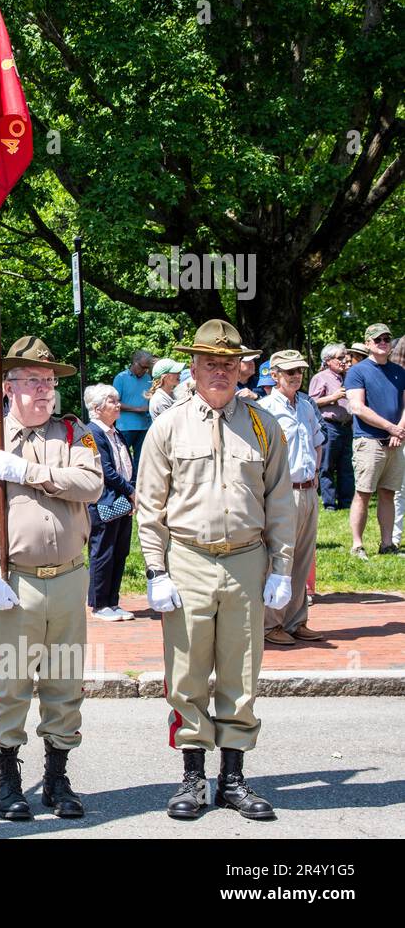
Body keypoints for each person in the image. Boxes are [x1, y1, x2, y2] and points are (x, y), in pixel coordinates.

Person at [137, 319, 295, 821]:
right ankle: (191, 776)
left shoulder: (261, 425)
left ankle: (232, 778)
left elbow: (280, 502)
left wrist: (282, 568)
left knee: (241, 670)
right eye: (211, 363)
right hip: (188, 559)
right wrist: (154, 570)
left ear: (241, 369)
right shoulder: (168, 425)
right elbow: (150, 506)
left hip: (248, 560)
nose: (221, 372)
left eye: (229, 364)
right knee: (186, 673)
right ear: (194, 367)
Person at [0, 336, 101, 822]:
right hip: (15, 584)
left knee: (65, 679)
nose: (43, 390)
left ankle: (57, 777)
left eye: (49, 381)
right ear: (8, 387)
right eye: (32, 381)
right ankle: (9, 776)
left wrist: (30, 471)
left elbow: (92, 485)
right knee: (11, 683)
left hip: (70, 579)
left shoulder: (74, 434)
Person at [259, 351, 326, 645]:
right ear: (274, 375)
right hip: (282, 492)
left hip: (308, 489)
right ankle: (271, 624)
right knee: (280, 557)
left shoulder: (306, 407)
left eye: (299, 371)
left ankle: (296, 620)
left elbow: (317, 442)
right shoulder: (264, 409)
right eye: (289, 372)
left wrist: (314, 475)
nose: (296, 376)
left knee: (303, 558)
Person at [344, 323, 405, 560]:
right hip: (368, 441)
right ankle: (357, 545)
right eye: (377, 339)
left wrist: (398, 430)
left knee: (389, 493)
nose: (383, 343)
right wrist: (390, 428)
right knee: (363, 493)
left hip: (395, 441)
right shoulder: (357, 371)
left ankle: (387, 543)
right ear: (368, 343)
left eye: (387, 339)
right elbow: (357, 407)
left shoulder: (399, 371)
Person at [84, 384, 135, 622]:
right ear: (97, 408)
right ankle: (99, 603)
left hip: (122, 500)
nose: (118, 405)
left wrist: (131, 488)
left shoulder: (115, 431)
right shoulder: (92, 433)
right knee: (103, 551)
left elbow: (126, 462)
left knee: (120, 551)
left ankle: (113, 601)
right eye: (112, 401)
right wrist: (131, 490)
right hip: (104, 500)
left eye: (117, 400)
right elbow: (104, 470)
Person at [308, 343, 354, 511]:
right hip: (330, 426)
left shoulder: (349, 376)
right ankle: (329, 503)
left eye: (345, 358)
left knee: (346, 467)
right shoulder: (320, 378)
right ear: (328, 360)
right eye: (340, 358)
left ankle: (346, 502)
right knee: (327, 466)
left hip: (347, 426)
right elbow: (311, 402)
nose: (344, 361)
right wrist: (332, 397)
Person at [112, 350, 155, 474]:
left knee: (141, 460)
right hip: (125, 426)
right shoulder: (121, 378)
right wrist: (137, 409)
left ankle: (138, 486)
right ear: (134, 363)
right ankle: (123, 488)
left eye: (147, 368)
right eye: (143, 367)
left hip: (144, 426)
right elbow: (115, 403)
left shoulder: (148, 378)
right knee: (122, 459)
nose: (145, 370)